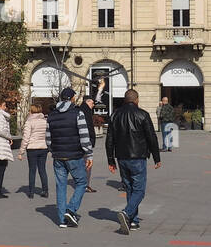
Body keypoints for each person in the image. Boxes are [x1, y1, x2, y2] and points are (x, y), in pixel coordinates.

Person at [105, 88, 161, 235]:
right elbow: (151, 137)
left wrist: (110, 160)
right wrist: (157, 157)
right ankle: (127, 212)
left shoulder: (115, 115)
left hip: (122, 157)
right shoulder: (142, 114)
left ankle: (133, 221)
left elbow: (109, 139)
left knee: (129, 188)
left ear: (125, 100)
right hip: (138, 157)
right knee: (140, 190)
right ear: (136, 100)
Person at [46, 86, 93, 228]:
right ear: (72, 98)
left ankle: (62, 220)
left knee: (60, 186)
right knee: (82, 182)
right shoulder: (77, 113)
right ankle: (71, 210)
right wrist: (89, 154)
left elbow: (48, 139)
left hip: (58, 156)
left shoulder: (51, 115)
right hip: (74, 155)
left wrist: (53, 150)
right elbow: (84, 136)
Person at [18, 103, 49, 198]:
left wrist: (21, 152)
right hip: (43, 148)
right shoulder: (45, 121)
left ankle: (31, 192)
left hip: (32, 148)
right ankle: (45, 190)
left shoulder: (29, 122)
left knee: (32, 170)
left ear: (31, 111)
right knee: (42, 169)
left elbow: (26, 138)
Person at [81, 96, 98, 192]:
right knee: (87, 162)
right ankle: (85, 185)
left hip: (81, 141)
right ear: (87, 101)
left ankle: (82, 183)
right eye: (92, 103)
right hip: (86, 141)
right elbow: (88, 127)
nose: (93, 105)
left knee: (82, 163)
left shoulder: (81, 109)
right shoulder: (86, 111)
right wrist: (91, 140)